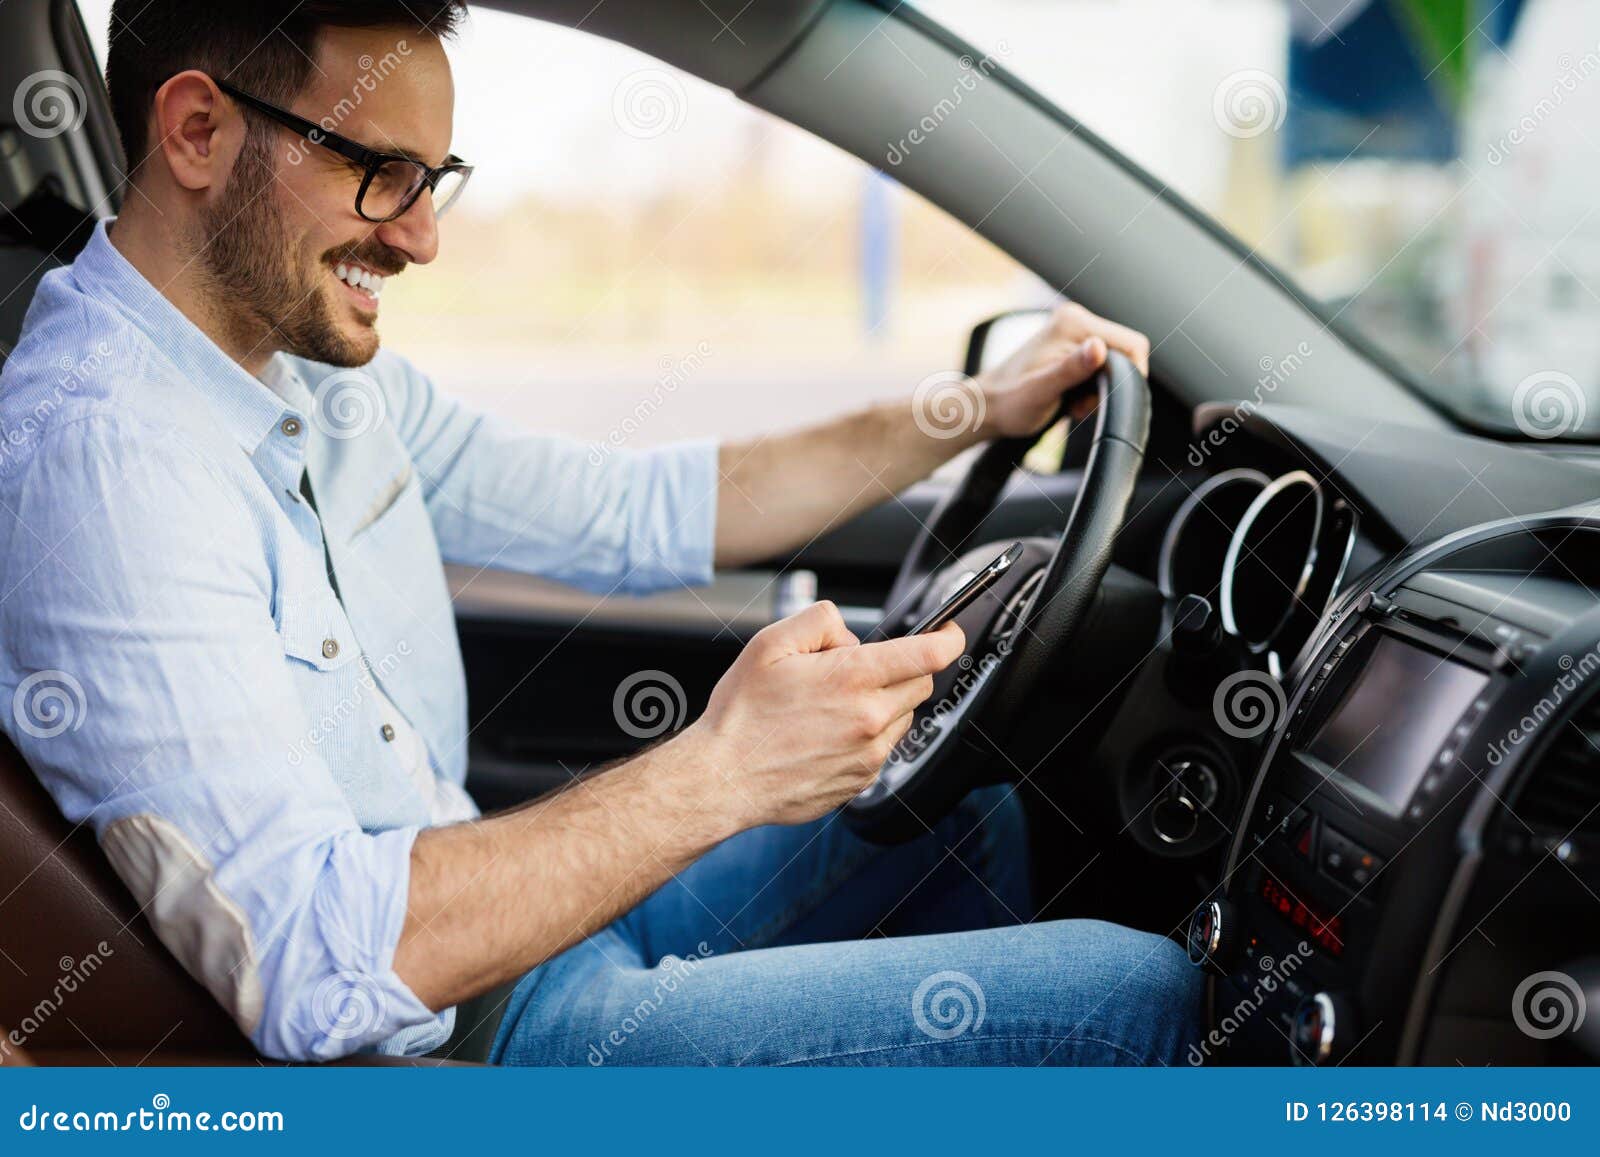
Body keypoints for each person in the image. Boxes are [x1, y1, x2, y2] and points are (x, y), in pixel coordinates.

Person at [0, 0, 1198, 1064]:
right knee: (1131, 996)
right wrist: (728, 765)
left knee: (955, 812)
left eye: (434, 179)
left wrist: (975, 408)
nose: (421, 237)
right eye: (379, 171)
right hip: (460, 1049)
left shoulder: (309, 375)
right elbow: (314, 959)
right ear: (198, 130)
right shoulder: (102, 466)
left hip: (524, 931)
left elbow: (639, 508)